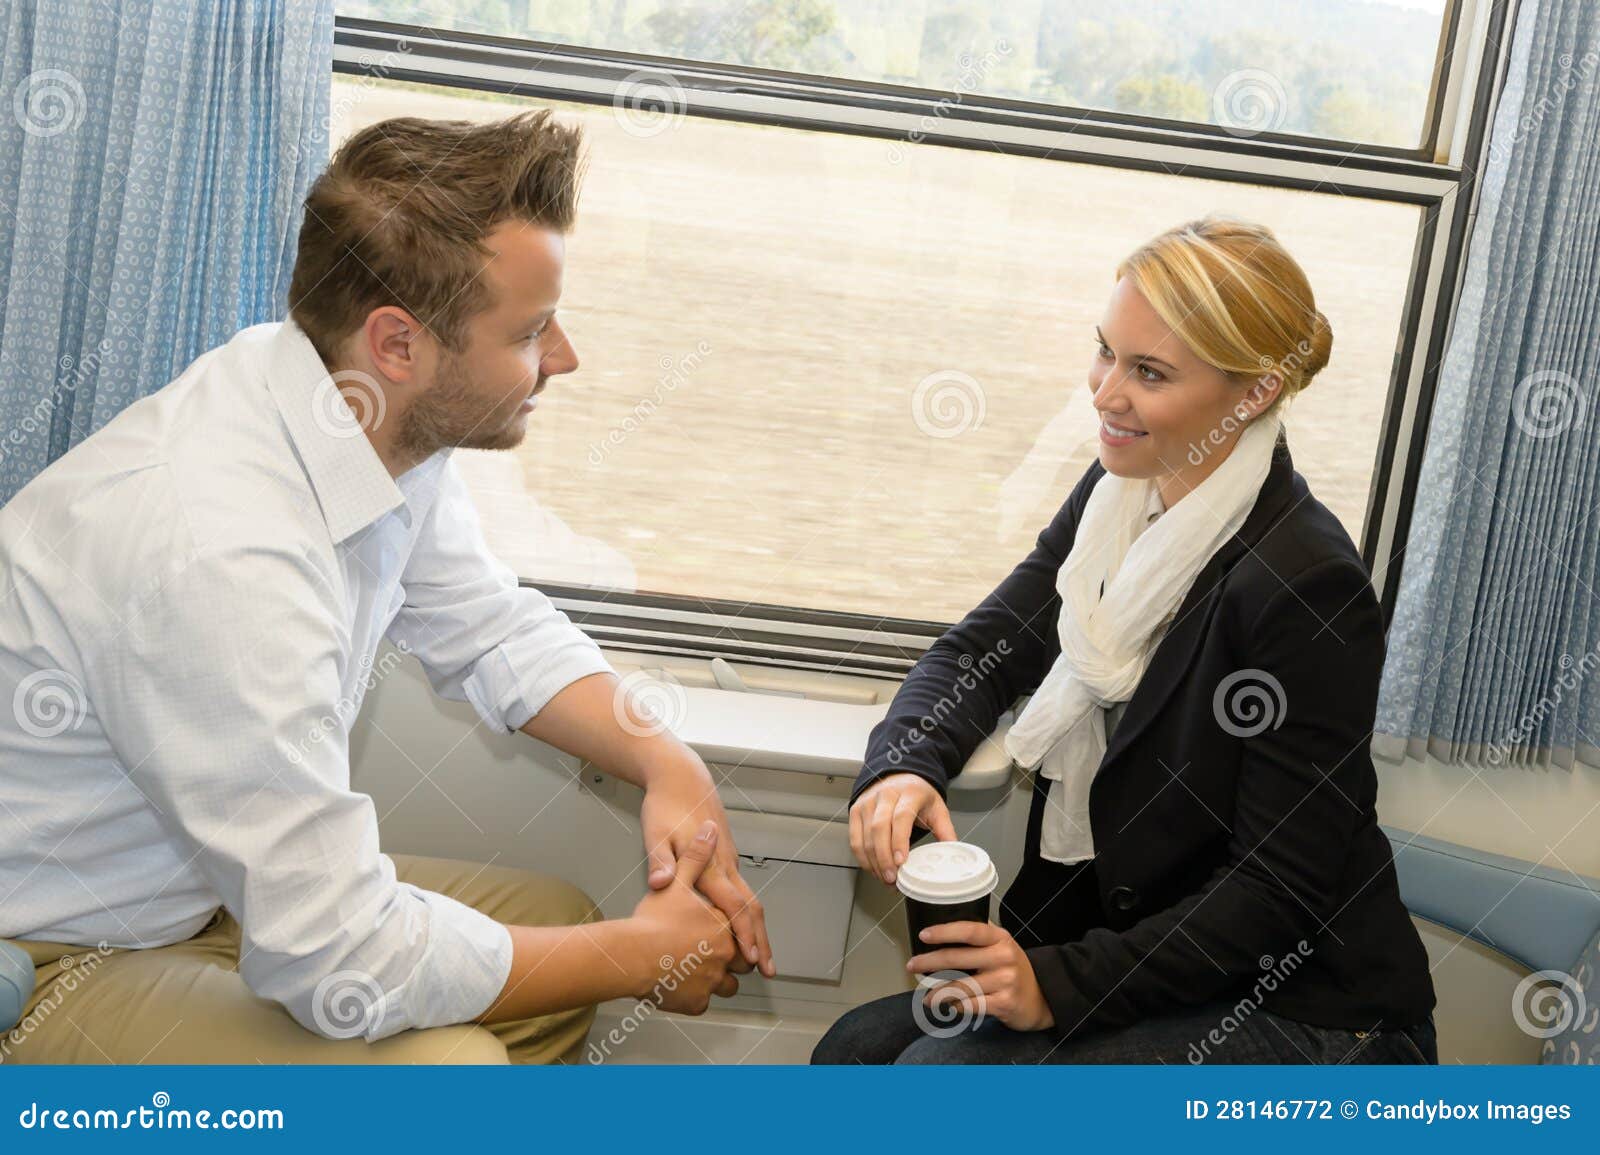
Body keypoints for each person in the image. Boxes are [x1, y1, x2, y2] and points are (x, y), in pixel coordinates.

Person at [0, 111, 772, 1064]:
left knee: (557, 921)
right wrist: (636, 956)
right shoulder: (221, 554)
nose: (564, 358)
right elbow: (338, 957)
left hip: (191, 887)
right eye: (532, 331)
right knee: (453, 1068)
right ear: (398, 344)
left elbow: (486, 625)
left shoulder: (357, 413)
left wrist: (669, 763)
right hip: (47, 952)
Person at [814, 216, 1437, 1065]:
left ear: (1252, 393)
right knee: (853, 1050)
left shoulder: (1305, 585)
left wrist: (1058, 985)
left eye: (1147, 372)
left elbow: (1274, 890)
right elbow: (985, 647)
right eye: (1104, 350)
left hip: (1307, 1005)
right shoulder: (1121, 496)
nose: (1104, 393)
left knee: (934, 1075)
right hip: (1154, 951)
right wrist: (904, 762)